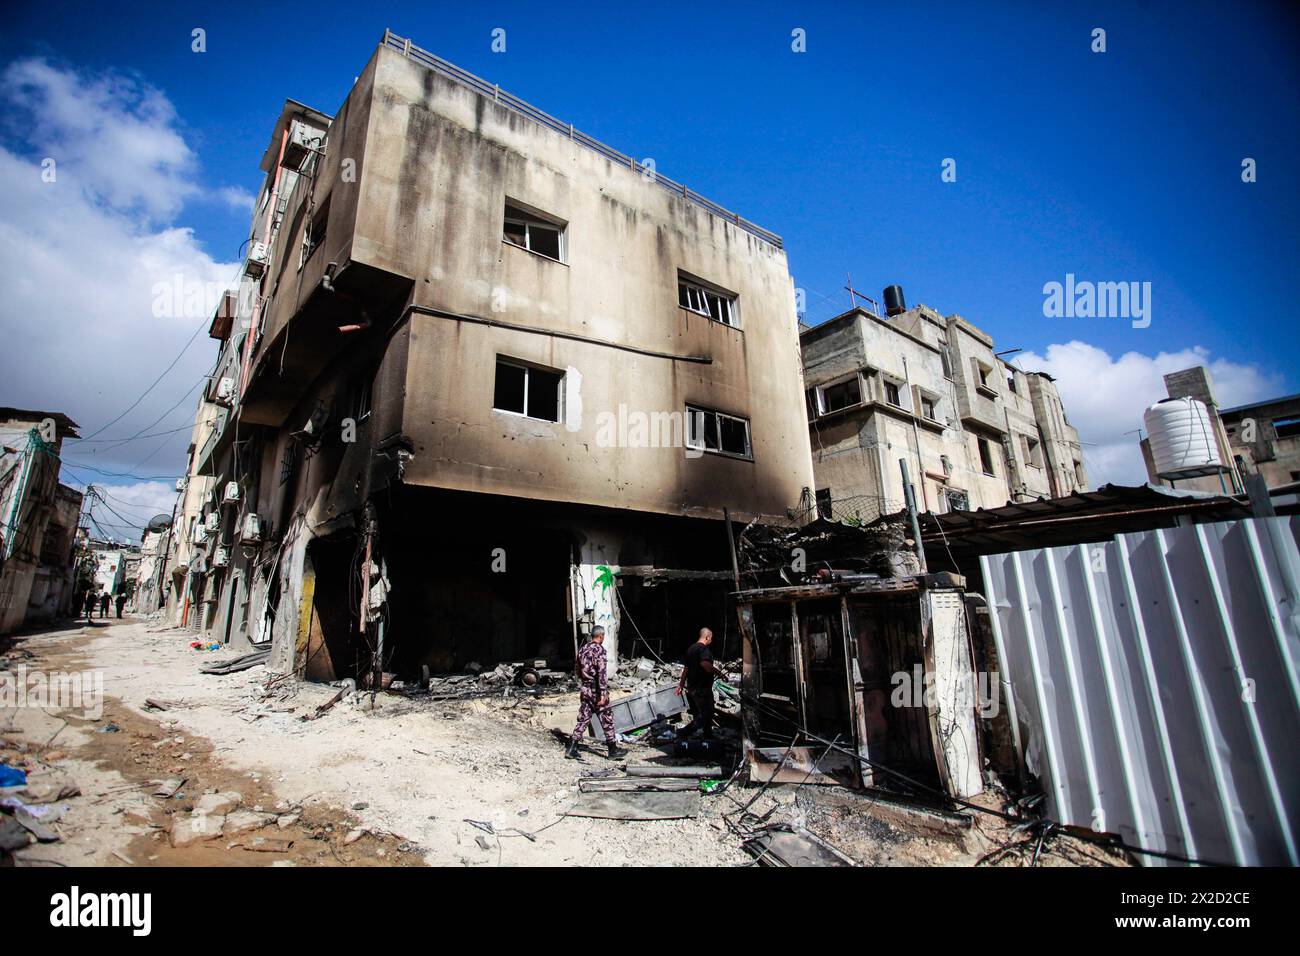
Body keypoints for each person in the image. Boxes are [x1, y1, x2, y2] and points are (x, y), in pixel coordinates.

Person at [565, 626, 626, 760]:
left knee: (583, 718)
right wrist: (602, 693)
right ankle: (613, 750)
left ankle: (571, 747)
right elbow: (602, 673)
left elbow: (577, 669)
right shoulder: (600, 651)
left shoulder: (582, 650)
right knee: (607, 719)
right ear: (601, 636)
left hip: (586, 689)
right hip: (597, 691)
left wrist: (585, 683)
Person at [675, 627, 719, 739]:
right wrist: (719, 673)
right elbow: (705, 664)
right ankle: (684, 732)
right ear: (707, 637)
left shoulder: (691, 649)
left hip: (692, 688)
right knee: (707, 713)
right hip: (702, 688)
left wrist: (681, 685)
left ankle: (707, 735)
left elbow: (686, 669)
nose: (711, 641)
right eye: (711, 639)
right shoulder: (703, 650)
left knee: (705, 713)